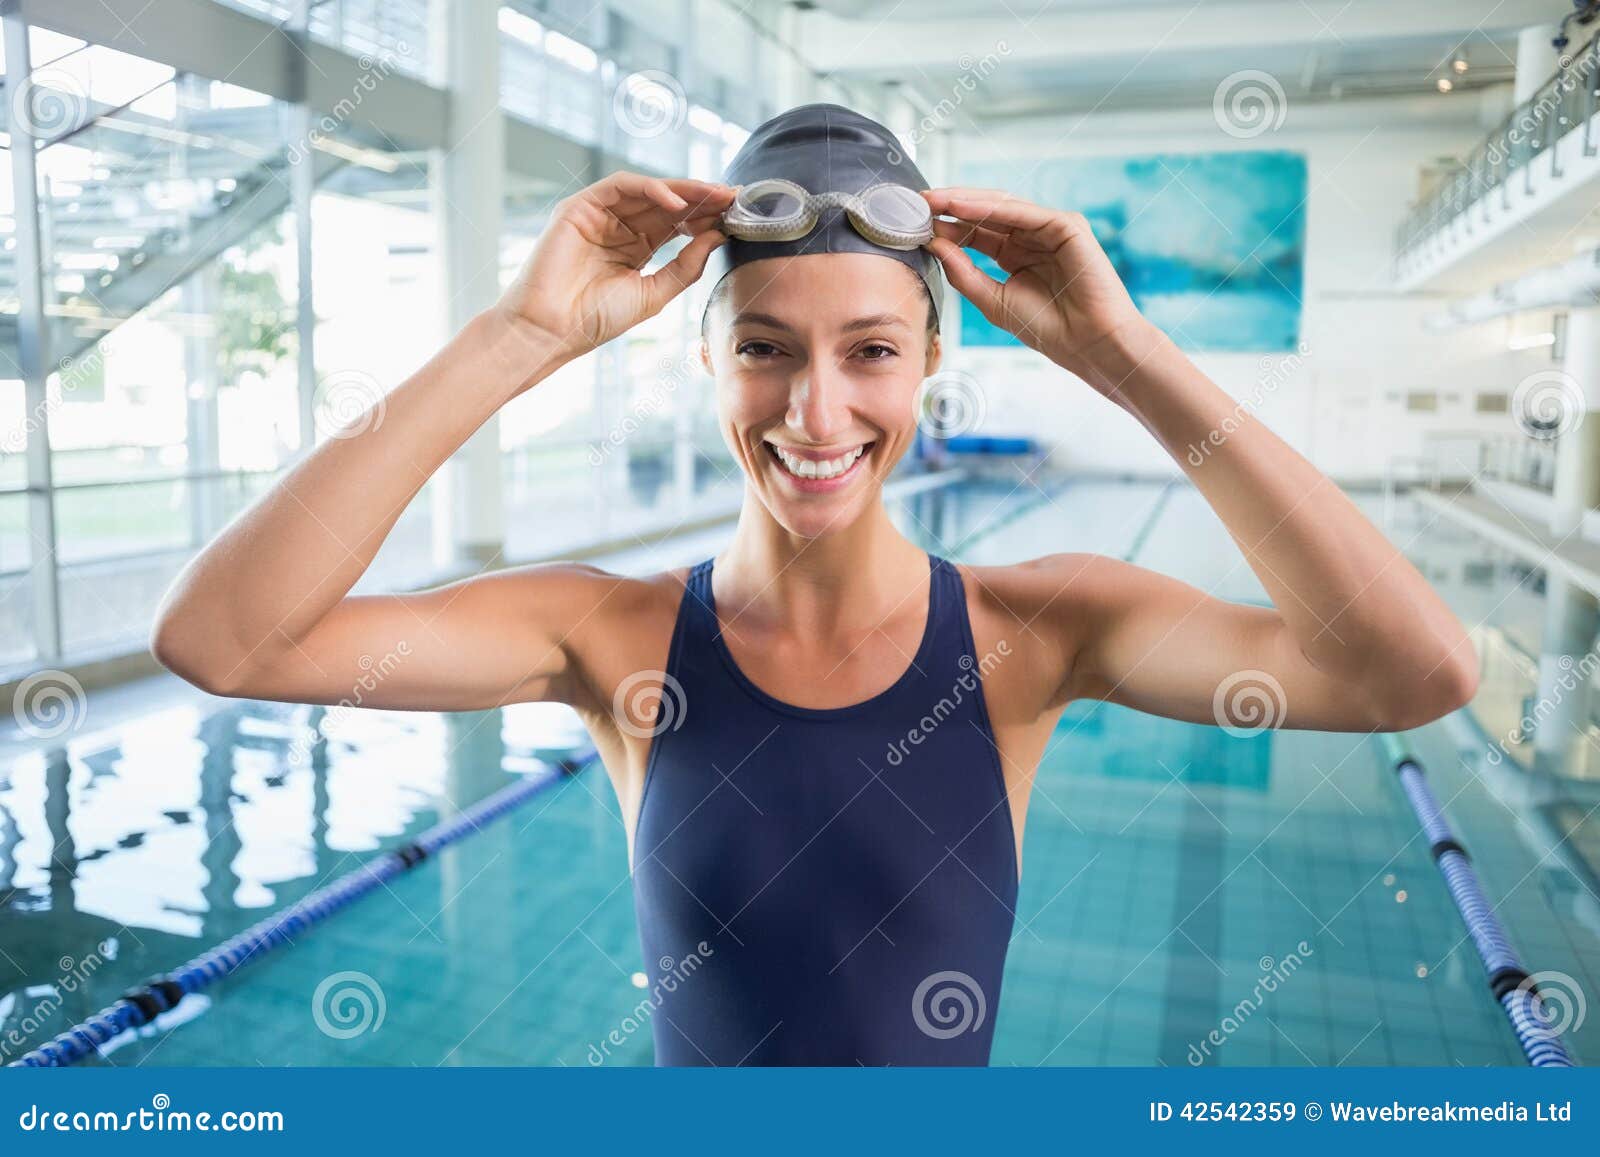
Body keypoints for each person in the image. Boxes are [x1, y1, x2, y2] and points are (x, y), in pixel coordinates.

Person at [151, 104, 1478, 1066]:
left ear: (931, 363)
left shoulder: (1035, 629)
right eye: (768, 349)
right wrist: (519, 337)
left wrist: (1125, 352)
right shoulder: (608, 638)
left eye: (874, 351)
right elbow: (226, 640)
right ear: (713, 362)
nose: (819, 408)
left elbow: (1414, 672)